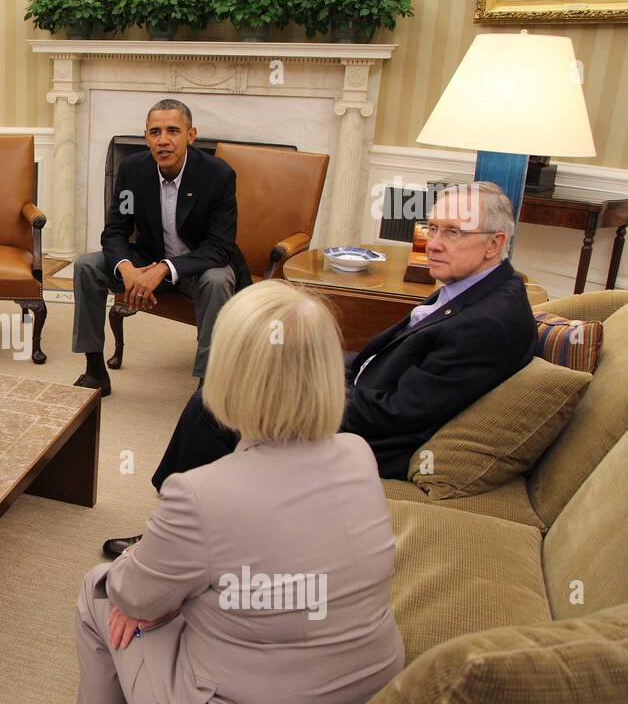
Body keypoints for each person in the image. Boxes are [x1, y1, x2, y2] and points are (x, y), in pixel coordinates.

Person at [101, 180, 537, 559]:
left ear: (494, 244)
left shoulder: (487, 323)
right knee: (245, 373)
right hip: (367, 396)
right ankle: (179, 519)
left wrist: (303, 391)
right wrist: (304, 363)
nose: (435, 243)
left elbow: (399, 414)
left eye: (453, 233)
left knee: (216, 402)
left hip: (377, 439)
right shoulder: (473, 288)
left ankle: (171, 535)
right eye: (433, 228)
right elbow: (383, 364)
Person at [73, 279, 405, 704]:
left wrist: (129, 591)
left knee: (95, 593)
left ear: (227, 373)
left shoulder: (201, 494)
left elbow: (132, 595)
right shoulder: (358, 454)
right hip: (366, 702)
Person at [72, 99, 250, 396]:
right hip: (148, 258)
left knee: (219, 279)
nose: (163, 140)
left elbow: (220, 247)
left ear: (191, 135)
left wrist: (165, 270)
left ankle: (209, 383)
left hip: (200, 268)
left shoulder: (218, 176)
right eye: (155, 132)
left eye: (173, 131)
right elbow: (116, 229)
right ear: (146, 137)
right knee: (86, 265)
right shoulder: (132, 171)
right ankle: (94, 370)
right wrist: (127, 269)